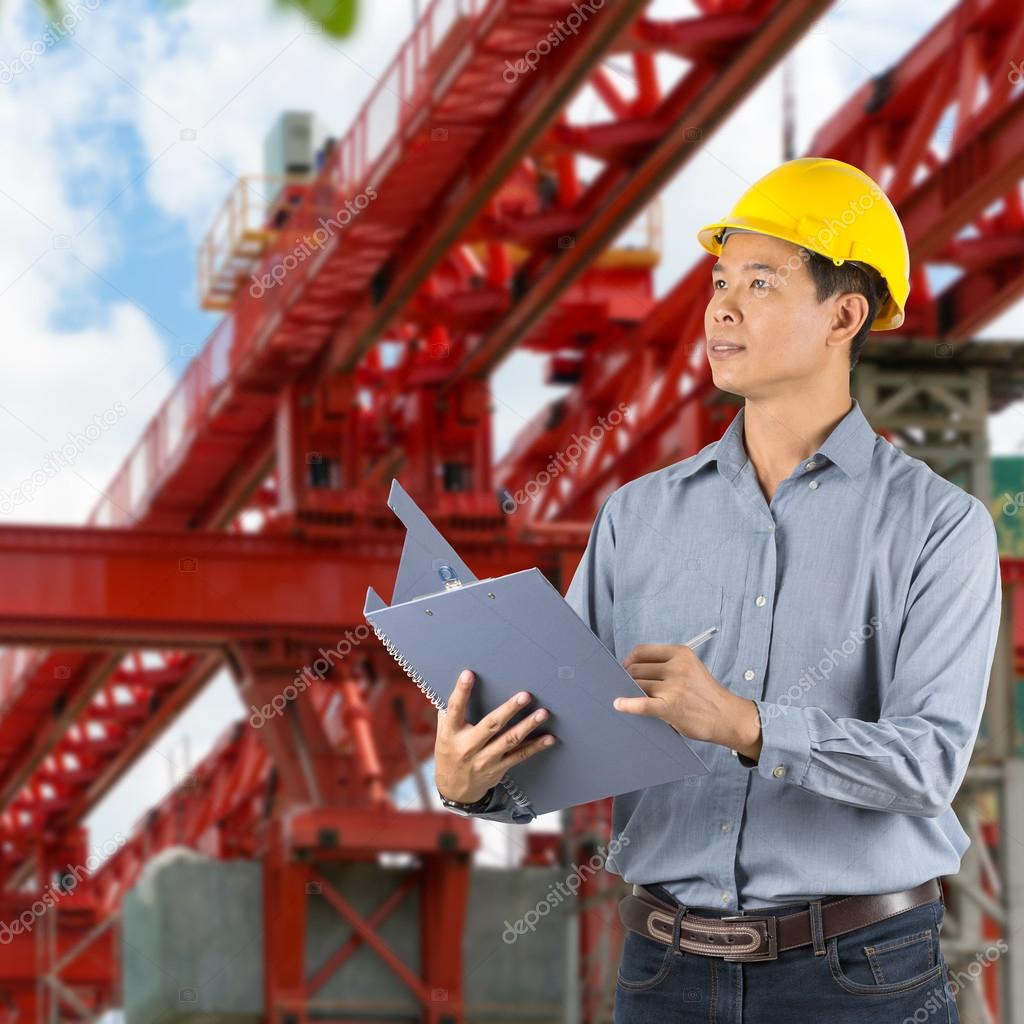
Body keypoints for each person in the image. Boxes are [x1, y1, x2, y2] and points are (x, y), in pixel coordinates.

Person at [432, 157, 1001, 1023]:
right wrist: (472, 782)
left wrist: (744, 724)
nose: (722, 308)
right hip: (664, 976)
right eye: (719, 281)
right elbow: (566, 728)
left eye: (761, 283)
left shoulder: (940, 525)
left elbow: (928, 764)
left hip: (863, 981)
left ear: (845, 315)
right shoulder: (637, 517)